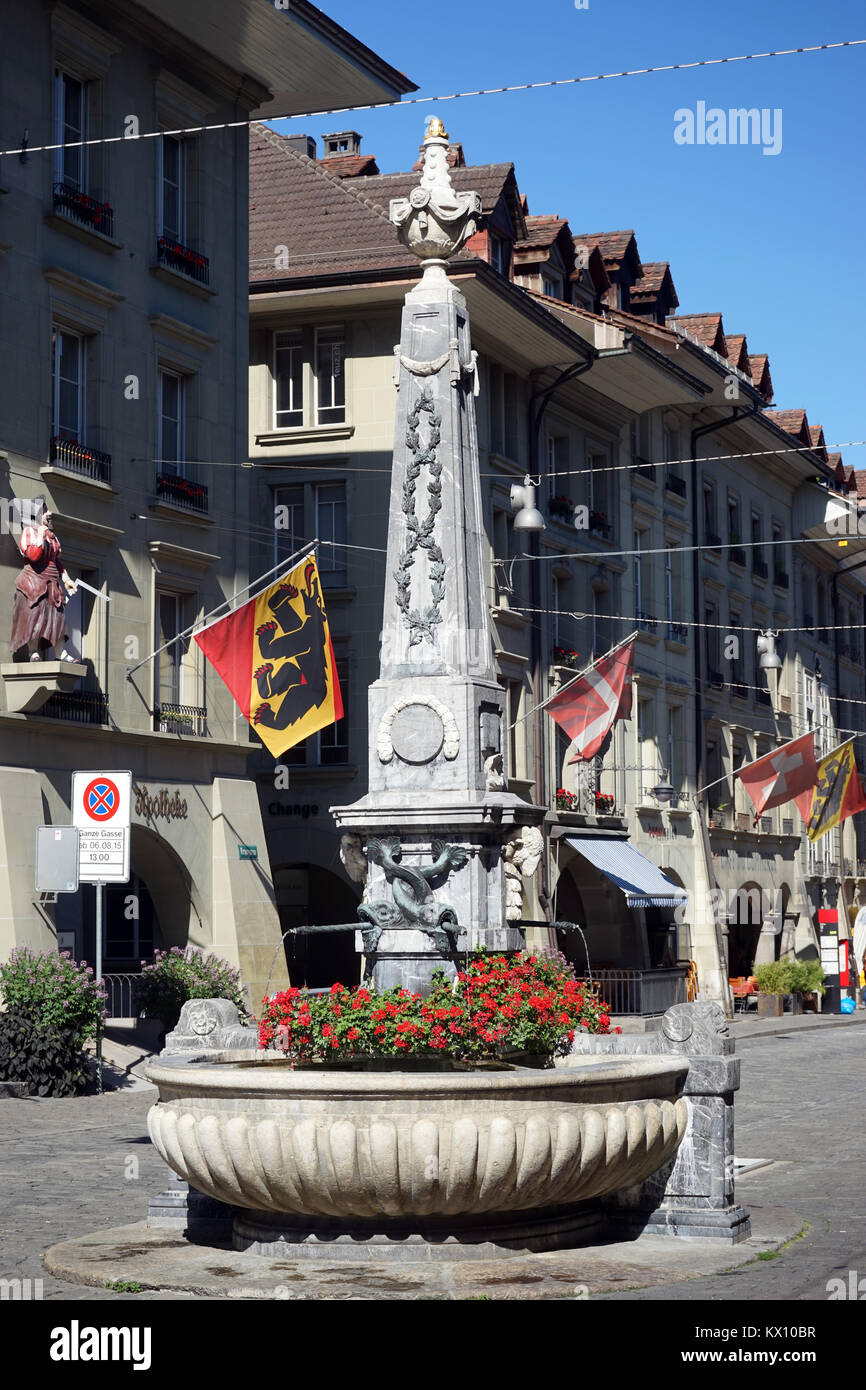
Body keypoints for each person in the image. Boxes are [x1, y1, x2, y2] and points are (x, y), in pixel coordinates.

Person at [10, 500, 78, 662]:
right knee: (33, 617)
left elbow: (56, 560)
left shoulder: (52, 537)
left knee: (58, 619)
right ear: (38, 515)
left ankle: (60, 653)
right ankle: (33, 652)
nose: (49, 514)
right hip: (33, 582)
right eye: (45, 511)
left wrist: (66, 578)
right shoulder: (29, 532)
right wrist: (40, 534)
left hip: (52, 584)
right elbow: (34, 556)